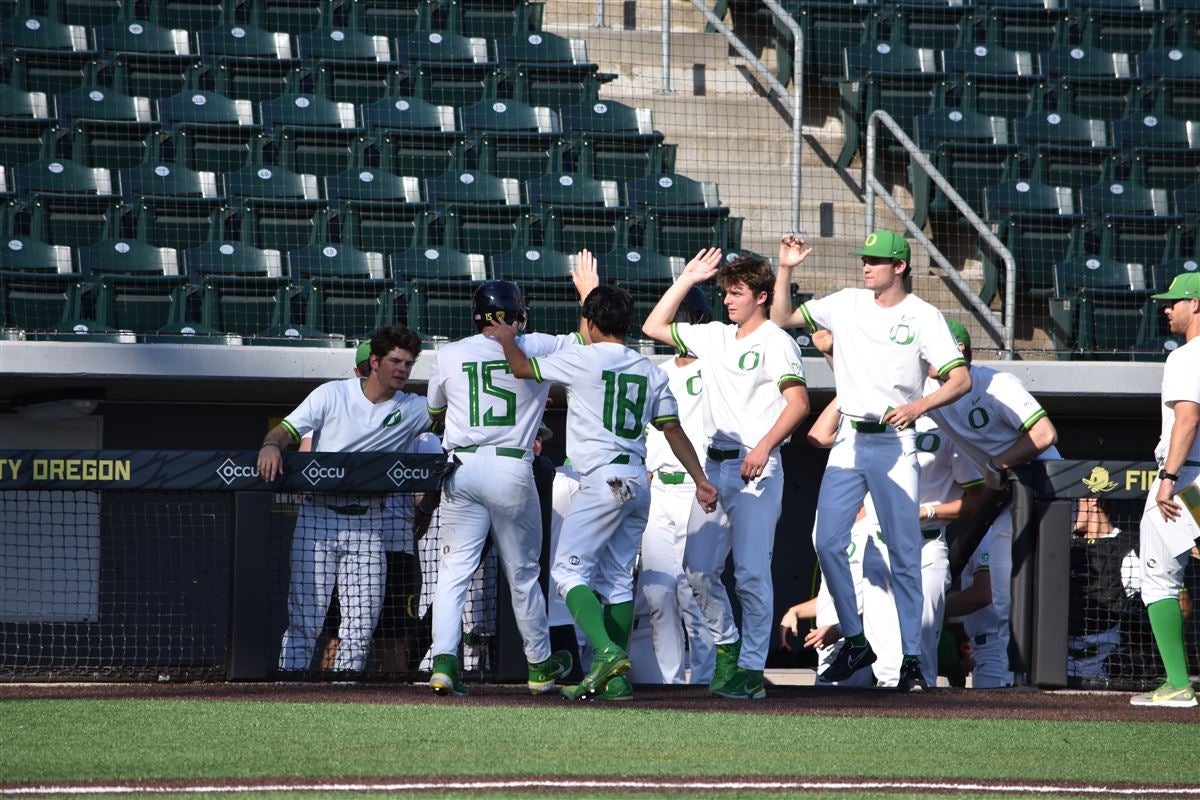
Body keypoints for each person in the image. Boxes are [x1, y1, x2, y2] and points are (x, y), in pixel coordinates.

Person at [488, 283, 718, 701]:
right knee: (615, 581)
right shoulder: (652, 369)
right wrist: (700, 478)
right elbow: (672, 429)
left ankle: (609, 653)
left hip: (601, 479)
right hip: (637, 479)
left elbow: (523, 369)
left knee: (565, 573)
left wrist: (506, 338)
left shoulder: (582, 356)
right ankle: (616, 680)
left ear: (590, 323)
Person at [771, 231, 971, 691]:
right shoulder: (847, 302)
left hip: (895, 442)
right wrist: (787, 268)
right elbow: (781, 316)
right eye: (865, 258)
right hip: (849, 439)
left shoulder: (923, 315)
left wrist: (919, 408)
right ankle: (856, 638)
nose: (867, 266)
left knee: (903, 552)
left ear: (899, 266)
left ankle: (912, 662)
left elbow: (958, 379)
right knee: (826, 541)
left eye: (877, 260)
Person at [643, 247, 810, 700]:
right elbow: (653, 326)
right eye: (725, 293)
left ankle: (752, 669)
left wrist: (764, 445)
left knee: (753, 574)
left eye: (736, 293)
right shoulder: (715, 335)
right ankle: (727, 646)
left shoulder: (777, 341)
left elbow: (799, 404)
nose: (728, 301)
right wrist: (687, 278)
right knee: (696, 570)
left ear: (760, 296)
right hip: (714, 468)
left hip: (758, 468)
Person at [424, 269, 594, 697]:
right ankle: (538, 666)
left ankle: (444, 662)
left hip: (460, 466)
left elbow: (435, 411)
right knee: (522, 575)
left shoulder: (449, 353)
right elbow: (590, 343)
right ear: (515, 315)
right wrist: (587, 294)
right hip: (510, 466)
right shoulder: (534, 345)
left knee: (453, 573)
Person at [260, 326, 432, 673]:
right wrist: (269, 445)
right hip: (317, 520)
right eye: (395, 361)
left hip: (370, 524)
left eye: (409, 364)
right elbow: (284, 431)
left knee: (360, 626)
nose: (402, 369)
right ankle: (288, 689)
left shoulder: (414, 408)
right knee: (306, 619)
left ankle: (345, 694)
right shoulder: (331, 394)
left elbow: (458, 412)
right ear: (374, 362)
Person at [923, 320, 1060, 687]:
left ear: (962, 354)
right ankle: (995, 695)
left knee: (1006, 605)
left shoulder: (996, 384)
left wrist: (1000, 462)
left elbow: (1045, 433)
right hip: (1001, 497)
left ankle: (1017, 693)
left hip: (1043, 493)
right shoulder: (929, 392)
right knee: (990, 615)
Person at [633, 286, 716, 685]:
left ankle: (704, 680)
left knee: (694, 591)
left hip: (697, 489)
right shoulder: (658, 370)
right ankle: (669, 684)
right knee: (656, 592)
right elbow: (652, 429)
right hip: (658, 489)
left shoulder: (715, 366)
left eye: (686, 317)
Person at [1131, 272, 1200, 708]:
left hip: (1187, 478)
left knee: (1157, 578)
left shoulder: (1186, 357)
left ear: (1197, 304)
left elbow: (1188, 417)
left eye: (1175, 301)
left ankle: (1178, 683)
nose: (1166, 307)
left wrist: (1169, 479)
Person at [1068, 492, 1140, 683]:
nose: (1071, 511)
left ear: (1092, 501)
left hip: (1109, 664)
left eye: (1076, 502)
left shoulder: (1130, 547)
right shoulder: (1062, 546)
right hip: (1060, 664)